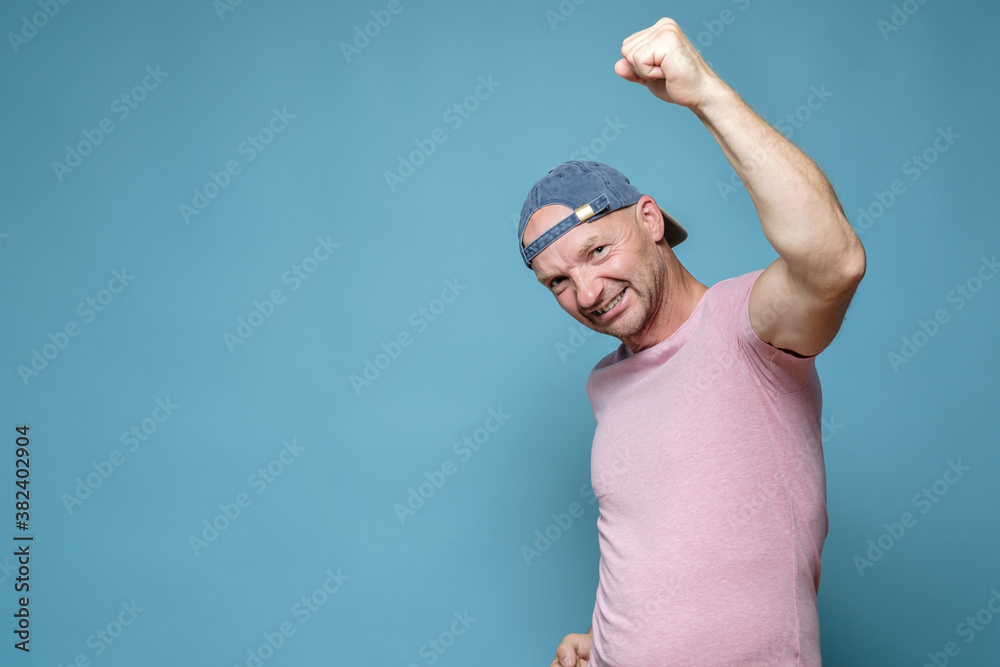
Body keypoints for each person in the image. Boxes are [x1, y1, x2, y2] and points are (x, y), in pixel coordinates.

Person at [516, 18, 866, 667]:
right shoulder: (606, 383)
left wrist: (704, 93)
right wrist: (604, 642)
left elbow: (834, 261)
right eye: (559, 281)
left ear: (649, 219)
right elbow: (663, 555)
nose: (587, 292)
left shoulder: (748, 326)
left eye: (597, 250)